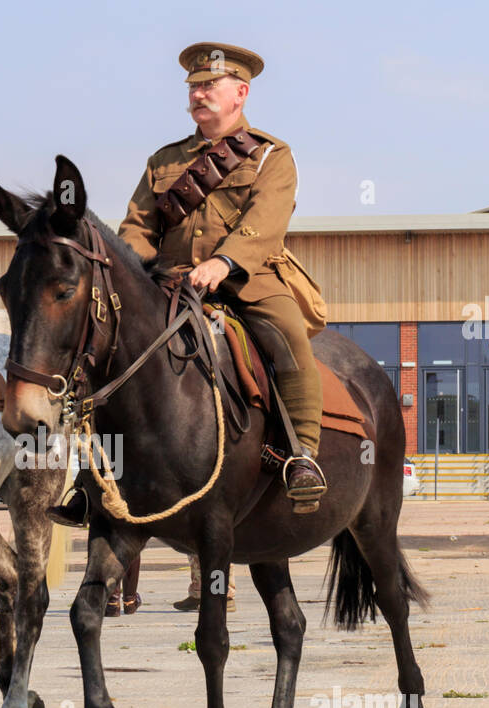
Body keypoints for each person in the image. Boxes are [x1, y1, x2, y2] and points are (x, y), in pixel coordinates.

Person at [48, 42, 327, 529]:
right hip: (170, 284)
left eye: (210, 85)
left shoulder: (270, 156)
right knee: (107, 346)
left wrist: (224, 262)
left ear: (240, 92)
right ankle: (94, 478)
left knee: (288, 338)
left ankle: (302, 455)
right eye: (194, 87)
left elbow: (265, 220)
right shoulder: (164, 160)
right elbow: (135, 226)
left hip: (249, 280)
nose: (199, 94)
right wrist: (141, 269)